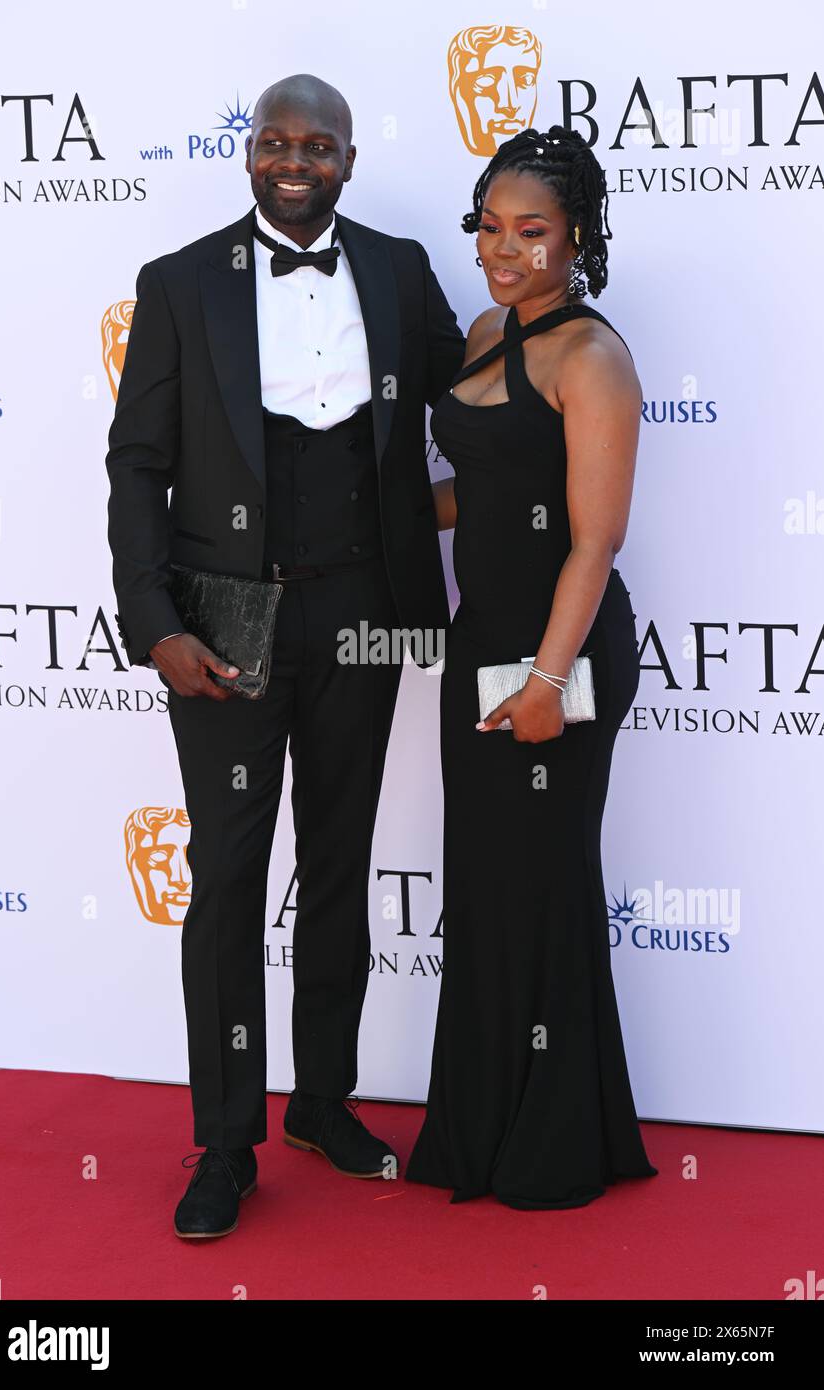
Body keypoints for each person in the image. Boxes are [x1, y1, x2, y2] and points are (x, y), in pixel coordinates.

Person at [105, 73, 464, 1238]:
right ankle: (224, 1139)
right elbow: (136, 467)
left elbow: (471, 397)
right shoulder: (177, 284)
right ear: (249, 154)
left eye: (318, 143)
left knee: (340, 866)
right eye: (274, 141)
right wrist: (155, 623)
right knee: (226, 885)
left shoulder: (402, 270)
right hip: (223, 623)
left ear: (349, 160)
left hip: (364, 610)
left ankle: (321, 1101)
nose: (294, 158)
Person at [406, 126, 658, 1209]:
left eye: (531, 233)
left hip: (560, 658)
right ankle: (480, 1127)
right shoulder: (481, 329)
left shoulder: (591, 358)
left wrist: (547, 686)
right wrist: (379, 519)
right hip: (483, 646)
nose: (503, 251)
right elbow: (488, 495)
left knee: (543, 890)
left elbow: (593, 541)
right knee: (486, 888)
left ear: (575, 239)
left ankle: (555, 1143)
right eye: (490, 228)